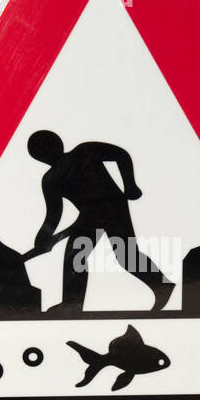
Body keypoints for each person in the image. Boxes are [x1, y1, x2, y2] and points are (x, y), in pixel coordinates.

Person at [27, 130, 174, 313]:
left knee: (124, 255)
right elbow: (54, 212)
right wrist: (44, 235)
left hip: (113, 206)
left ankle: (162, 285)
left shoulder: (83, 151)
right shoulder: (50, 180)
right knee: (77, 256)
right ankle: (72, 303)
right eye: (41, 151)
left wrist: (130, 184)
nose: (46, 152)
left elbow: (120, 154)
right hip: (89, 215)